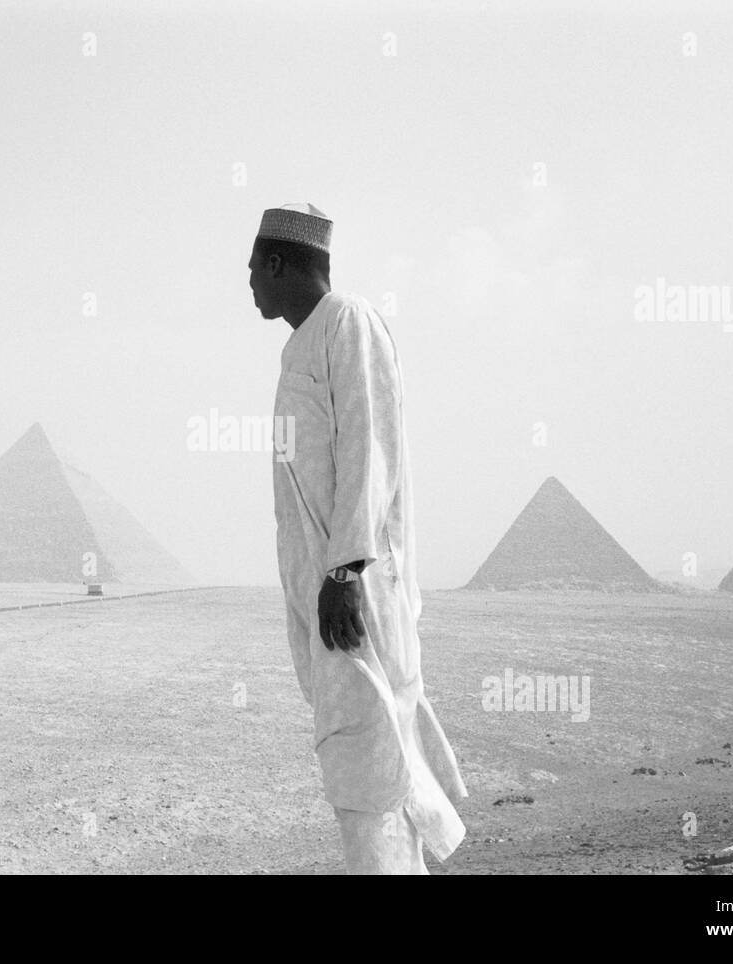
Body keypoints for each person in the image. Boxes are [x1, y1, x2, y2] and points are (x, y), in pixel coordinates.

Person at [250, 202, 468, 875]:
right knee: (363, 770)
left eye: (254, 267)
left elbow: (372, 451)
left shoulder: (349, 322)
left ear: (281, 262)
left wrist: (344, 571)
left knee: (370, 776)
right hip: (327, 595)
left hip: (355, 594)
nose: (250, 283)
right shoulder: (300, 345)